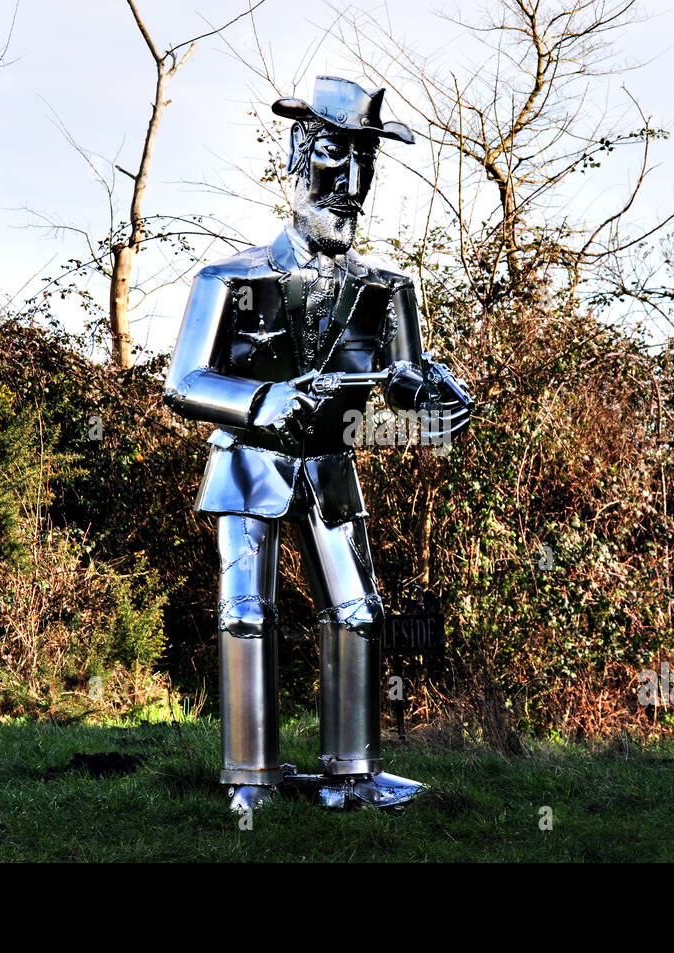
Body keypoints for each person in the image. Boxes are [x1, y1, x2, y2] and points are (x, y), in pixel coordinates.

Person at [163, 76, 472, 811]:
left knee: (360, 611)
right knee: (246, 610)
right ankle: (250, 776)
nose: (352, 184)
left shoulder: (388, 289)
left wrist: (440, 394)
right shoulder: (227, 278)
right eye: (337, 157)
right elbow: (183, 381)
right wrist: (265, 401)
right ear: (300, 156)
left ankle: (352, 775)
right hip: (248, 465)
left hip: (332, 469)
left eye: (366, 164)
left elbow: (403, 380)